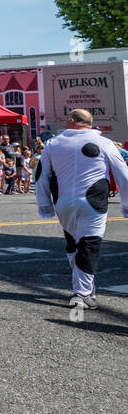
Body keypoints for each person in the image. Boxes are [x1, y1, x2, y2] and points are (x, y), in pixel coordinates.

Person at [35, 109, 128, 310]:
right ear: (89, 123)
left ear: (72, 120)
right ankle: (82, 293)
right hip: (93, 203)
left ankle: (83, 286)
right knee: (89, 245)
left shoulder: (54, 142)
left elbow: (41, 174)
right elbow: (123, 173)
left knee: (73, 244)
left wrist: (44, 203)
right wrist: (126, 203)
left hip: (63, 202)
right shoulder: (104, 143)